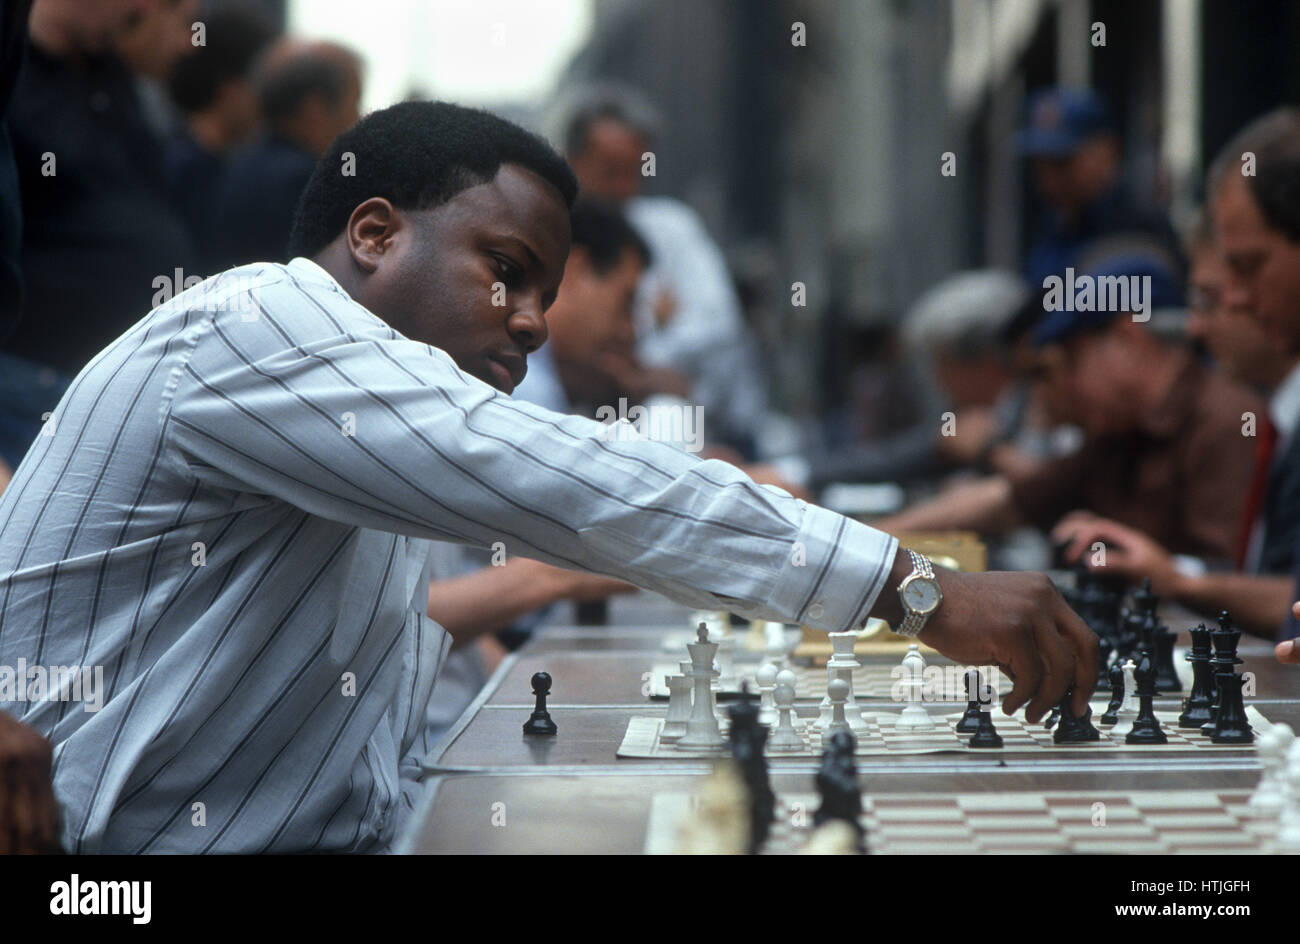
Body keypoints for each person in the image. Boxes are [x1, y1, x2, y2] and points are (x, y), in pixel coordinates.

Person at [0, 101, 1095, 854]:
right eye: (505, 271)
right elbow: (564, 481)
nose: (531, 321)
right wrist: (913, 588)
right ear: (374, 234)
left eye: (544, 290)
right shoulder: (253, 326)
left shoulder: (358, 410)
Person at [878, 240, 1260, 565]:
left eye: (1069, 365)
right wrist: (867, 541)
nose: (1059, 391)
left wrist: (1169, 578)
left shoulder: (1225, 422)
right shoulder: (1119, 434)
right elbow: (1013, 500)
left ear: (1126, 337)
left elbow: (1232, 576)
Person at [1055, 207, 1298, 636]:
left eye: (1212, 297)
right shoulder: (1277, 416)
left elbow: (1287, 598)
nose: (1195, 327)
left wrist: (1179, 579)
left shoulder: (1230, 416)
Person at [0, 0, 197, 468]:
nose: (139, 12)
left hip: (122, 383)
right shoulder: (16, 73)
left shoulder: (110, 74)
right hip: (35, 377)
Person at [562, 87, 766, 456]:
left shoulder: (671, 229)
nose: (625, 186)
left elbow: (719, 325)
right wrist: (650, 326)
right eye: (610, 171)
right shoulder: (548, 232)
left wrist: (640, 364)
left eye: (635, 171)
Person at [210, 37, 362, 270]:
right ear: (315, 110)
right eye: (354, 103)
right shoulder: (308, 182)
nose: (358, 119)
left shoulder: (237, 163)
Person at [1019, 86, 1180, 288]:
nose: (1049, 176)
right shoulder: (1050, 227)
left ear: (1106, 152)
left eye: (1062, 162)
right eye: (1040, 163)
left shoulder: (1139, 230)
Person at [163, 6, 276, 271]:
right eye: (262, 84)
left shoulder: (191, 158)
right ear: (230, 88)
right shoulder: (188, 172)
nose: (268, 102)